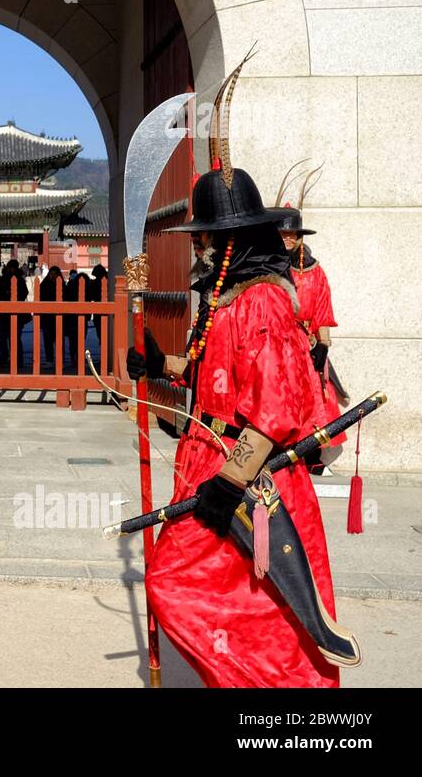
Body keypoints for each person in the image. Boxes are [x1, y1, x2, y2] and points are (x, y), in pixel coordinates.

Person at [126, 60, 353, 687]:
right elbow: (203, 374)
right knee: (221, 602)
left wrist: (228, 486)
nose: (197, 250)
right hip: (212, 465)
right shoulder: (223, 303)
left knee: (210, 595)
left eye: (204, 241)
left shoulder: (263, 304)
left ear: (229, 243)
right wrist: (154, 362)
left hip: (252, 484)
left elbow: (274, 411)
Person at [273, 167, 347, 471]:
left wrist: (323, 347)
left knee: (317, 398)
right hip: (275, 344)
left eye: (292, 233)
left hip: (306, 346)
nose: (288, 238)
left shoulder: (314, 272)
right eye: (283, 233)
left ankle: (311, 455)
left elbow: (323, 313)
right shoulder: (268, 268)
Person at [37, 265, 63, 373]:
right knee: (47, 340)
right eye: (51, 273)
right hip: (47, 317)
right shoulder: (44, 284)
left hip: (58, 317)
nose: (52, 276)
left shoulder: (61, 285)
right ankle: (49, 360)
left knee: (59, 340)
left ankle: (59, 360)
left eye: (54, 274)